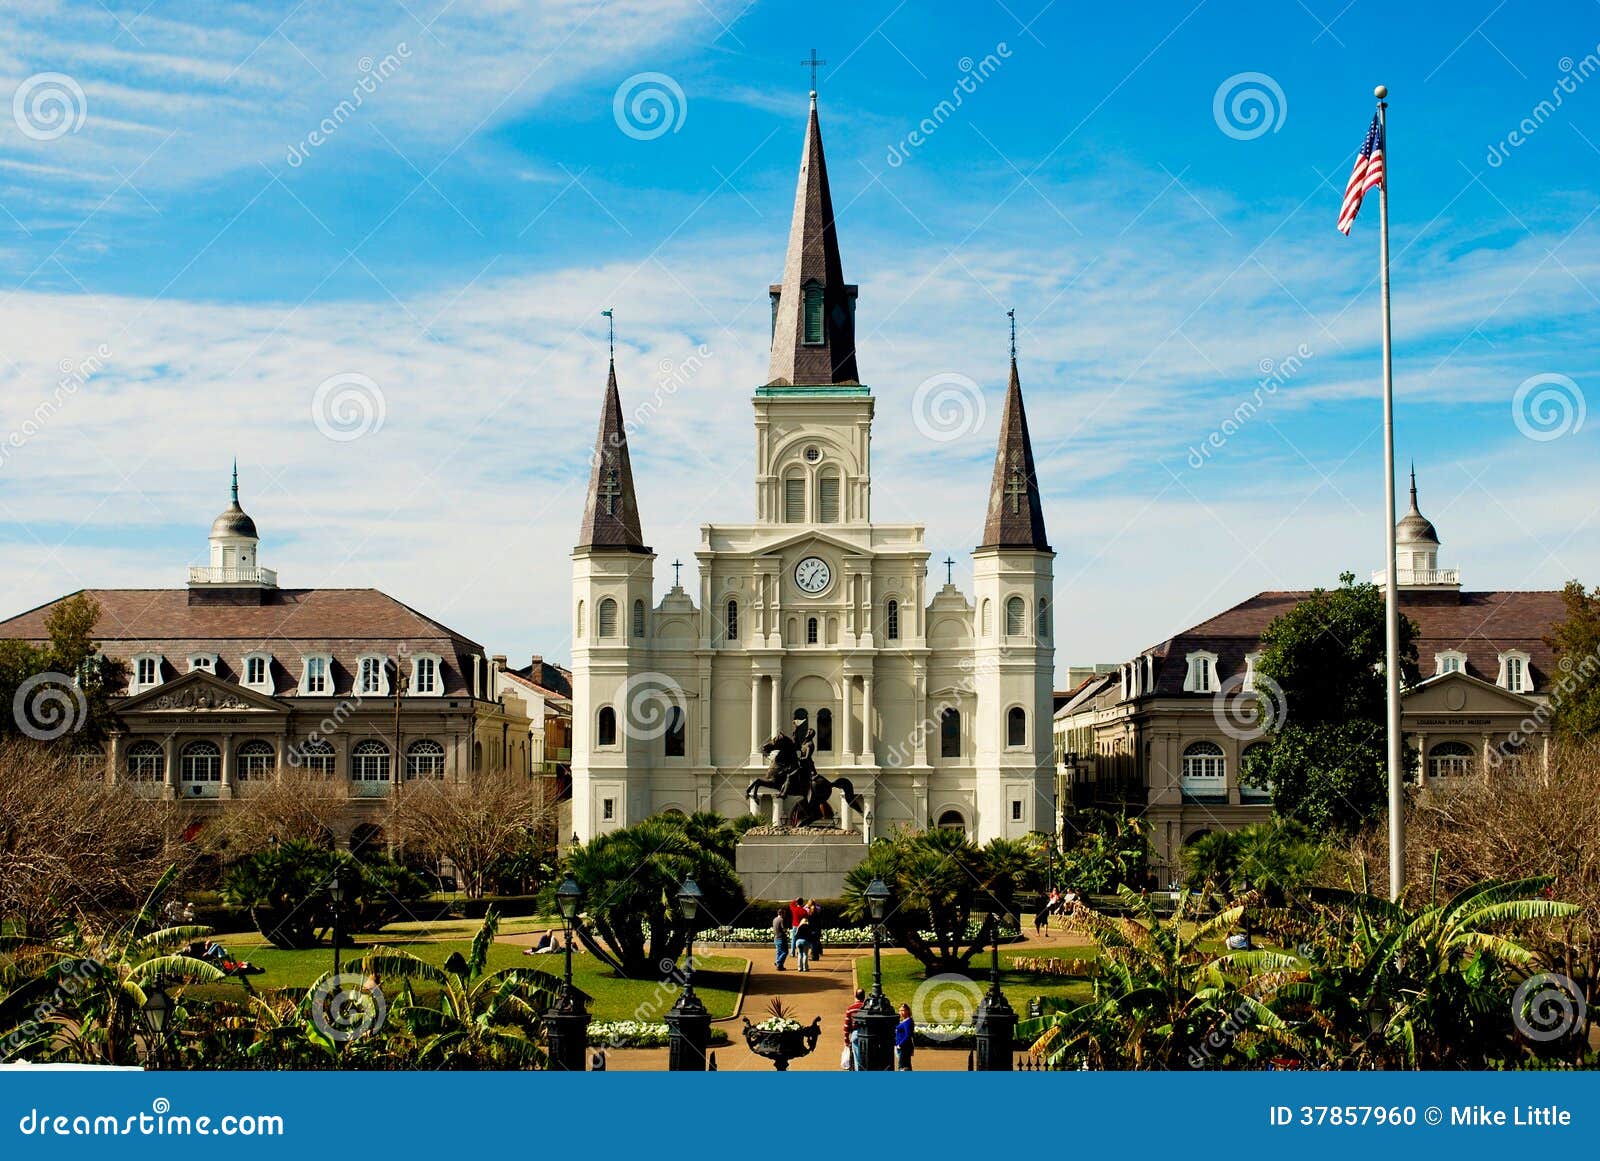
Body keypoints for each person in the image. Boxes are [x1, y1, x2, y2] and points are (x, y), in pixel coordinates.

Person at [844, 988, 866, 1071]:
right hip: (867, 1034)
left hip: (855, 1034)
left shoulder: (851, 1009)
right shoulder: (867, 1008)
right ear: (864, 997)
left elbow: (846, 1026)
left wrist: (846, 1040)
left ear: (855, 996)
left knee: (857, 1058)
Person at [894, 1003, 915, 1071]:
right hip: (902, 1047)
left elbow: (908, 1035)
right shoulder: (904, 1021)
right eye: (900, 1010)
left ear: (907, 1011)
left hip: (904, 1048)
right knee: (905, 1066)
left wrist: (900, 1045)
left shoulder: (908, 1022)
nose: (901, 1012)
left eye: (903, 1010)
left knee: (902, 1066)